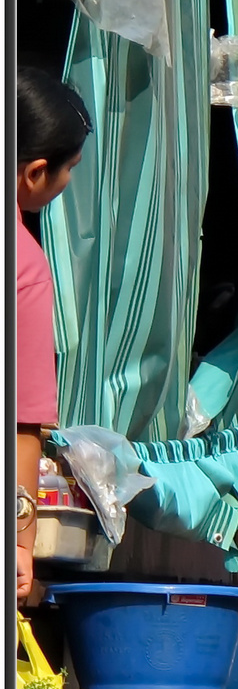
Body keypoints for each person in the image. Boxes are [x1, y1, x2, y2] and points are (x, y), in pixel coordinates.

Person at [15, 67, 90, 606]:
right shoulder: (23, 266)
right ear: (35, 172)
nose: (68, 183)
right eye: (71, 170)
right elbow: (20, 428)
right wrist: (19, 541)